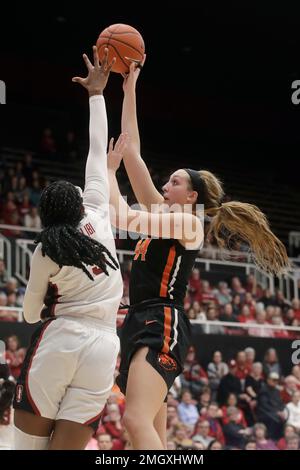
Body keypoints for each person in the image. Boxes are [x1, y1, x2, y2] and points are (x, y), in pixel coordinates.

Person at [107, 59, 290, 450]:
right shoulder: (164, 214)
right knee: (149, 431)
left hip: (162, 321)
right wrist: (129, 89)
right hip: (141, 319)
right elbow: (133, 147)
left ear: (191, 196)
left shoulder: (189, 224)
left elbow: (120, 214)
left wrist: (107, 171)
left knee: (135, 421)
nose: (164, 185)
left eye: (174, 182)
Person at [13, 47, 123, 450]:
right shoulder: (97, 210)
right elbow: (97, 149)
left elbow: (27, 315)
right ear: (78, 201)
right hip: (104, 345)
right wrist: (97, 93)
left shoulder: (46, 250)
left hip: (61, 338)